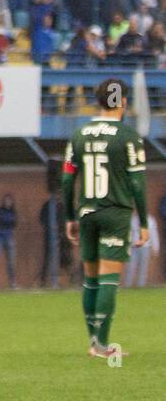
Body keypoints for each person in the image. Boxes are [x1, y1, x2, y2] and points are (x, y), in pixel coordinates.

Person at [61, 78, 150, 358]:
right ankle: (102, 344)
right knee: (109, 278)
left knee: (91, 279)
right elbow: (137, 184)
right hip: (115, 212)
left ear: (99, 102)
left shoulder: (79, 134)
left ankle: (93, 342)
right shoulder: (128, 136)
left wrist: (69, 216)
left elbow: (66, 179)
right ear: (123, 102)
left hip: (86, 212)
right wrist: (144, 222)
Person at [124, 211, 159, 288]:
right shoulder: (132, 220)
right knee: (130, 266)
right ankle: (128, 285)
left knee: (143, 267)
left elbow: (153, 234)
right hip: (134, 246)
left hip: (145, 247)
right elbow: (128, 234)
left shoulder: (150, 220)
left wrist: (155, 247)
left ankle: (141, 285)